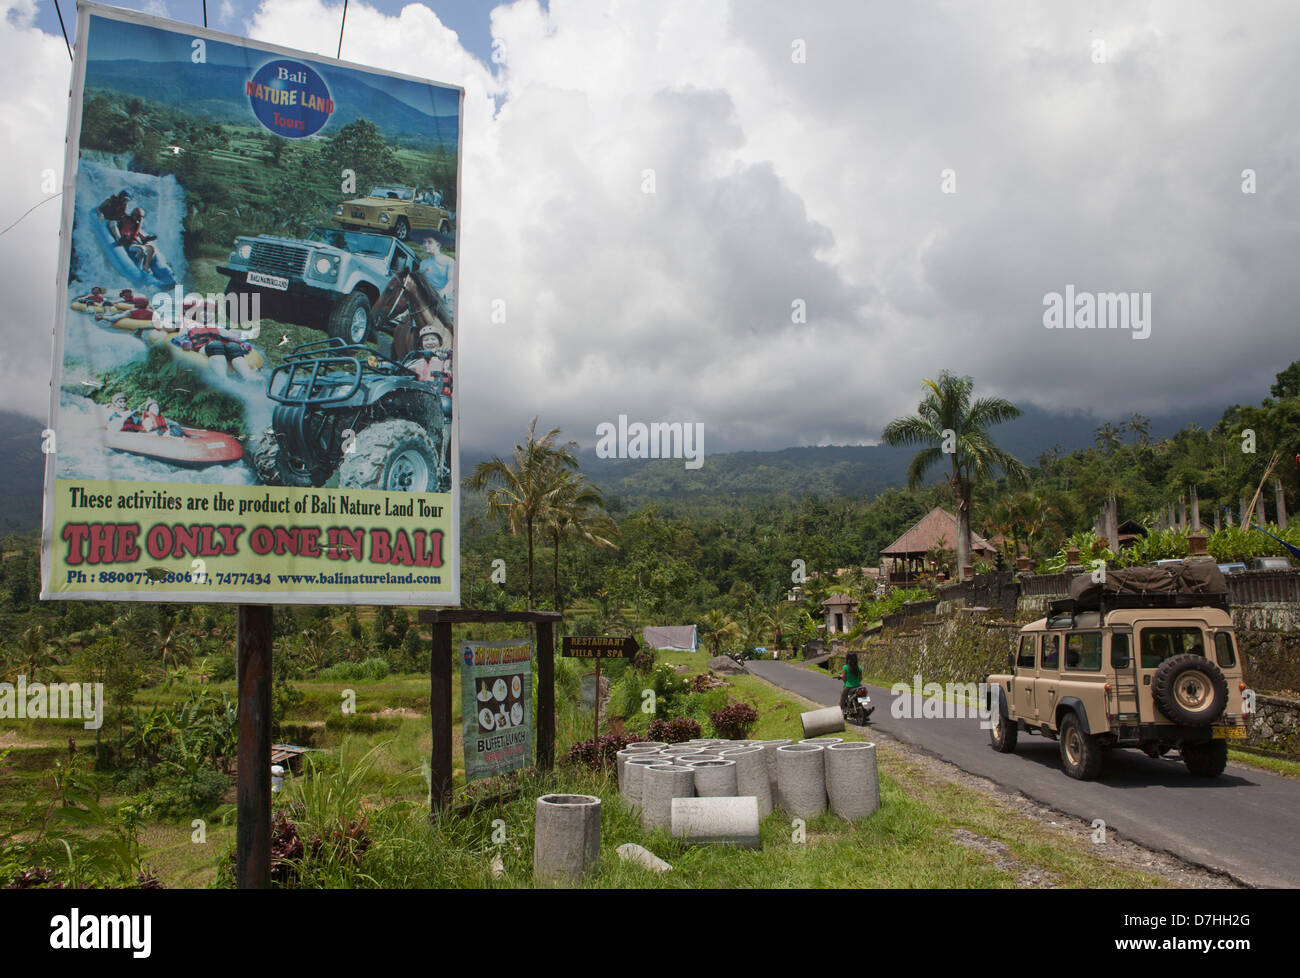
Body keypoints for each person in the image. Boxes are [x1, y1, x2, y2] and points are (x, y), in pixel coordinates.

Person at [175, 316, 258, 381]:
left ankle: (248, 376)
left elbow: (232, 335)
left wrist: (243, 342)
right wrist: (185, 343)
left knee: (233, 346)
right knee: (215, 345)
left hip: (221, 347)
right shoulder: (187, 326)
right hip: (204, 347)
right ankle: (223, 378)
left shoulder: (217, 326)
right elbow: (181, 336)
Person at [116, 207, 159, 271]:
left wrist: (147, 238)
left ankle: (146, 267)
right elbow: (125, 233)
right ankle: (139, 269)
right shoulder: (127, 222)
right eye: (137, 216)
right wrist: (127, 237)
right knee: (140, 249)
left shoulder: (136, 224)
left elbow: (139, 235)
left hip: (135, 243)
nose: (138, 219)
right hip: (128, 244)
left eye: (140, 217)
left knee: (151, 248)